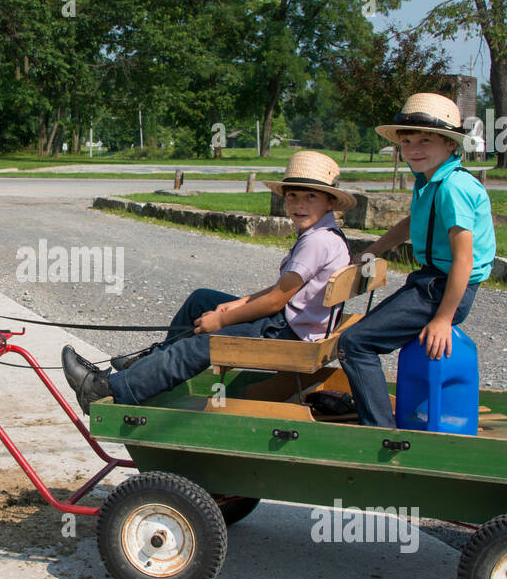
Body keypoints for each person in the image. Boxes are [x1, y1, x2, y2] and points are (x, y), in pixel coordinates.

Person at [62, 150, 355, 414]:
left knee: (204, 344)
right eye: (292, 196)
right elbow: (279, 292)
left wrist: (221, 321)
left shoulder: (316, 243)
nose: (299, 205)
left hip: (288, 333)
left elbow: (277, 300)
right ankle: (150, 369)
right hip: (294, 323)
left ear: (330, 201)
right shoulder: (324, 236)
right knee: (202, 300)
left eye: (310, 197)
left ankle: (105, 389)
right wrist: (231, 306)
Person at [337, 92, 496, 427]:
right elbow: (413, 222)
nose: (413, 149)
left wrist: (442, 319)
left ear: (451, 145)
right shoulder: (430, 181)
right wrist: (373, 249)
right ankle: (400, 413)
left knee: (354, 343)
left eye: (426, 140)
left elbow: (463, 262)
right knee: (362, 336)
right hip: (430, 281)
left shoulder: (453, 188)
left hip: (443, 288)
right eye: (406, 141)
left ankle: (381, 432)